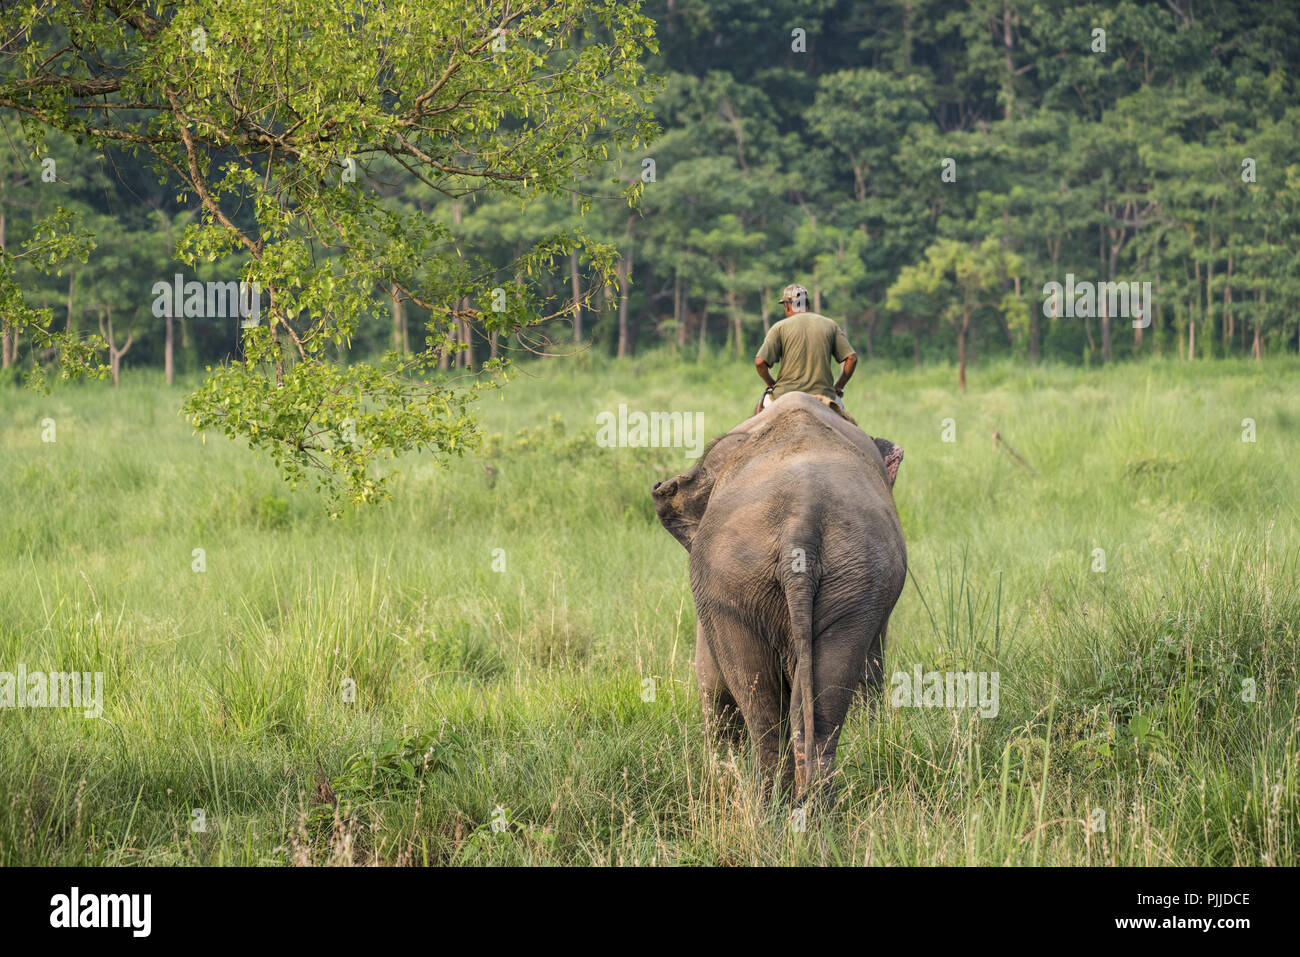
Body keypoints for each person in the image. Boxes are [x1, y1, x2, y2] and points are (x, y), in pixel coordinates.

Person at [754, 283, 857, 415]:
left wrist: (770, 383)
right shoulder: (830, 325)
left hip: (784, 394)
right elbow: (851, 359)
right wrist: (839, 386)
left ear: (787, 306)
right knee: (848, 426)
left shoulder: (779, 327)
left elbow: (759, 362)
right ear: (807, 305)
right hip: (824, 395)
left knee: (758, 417)